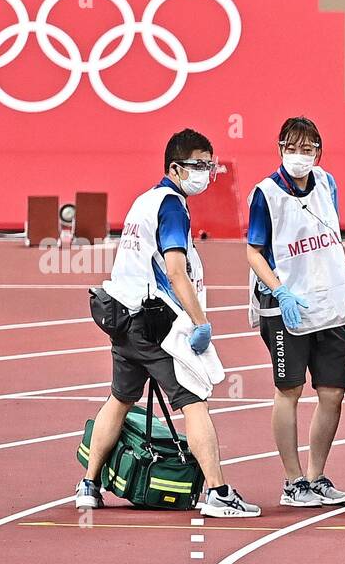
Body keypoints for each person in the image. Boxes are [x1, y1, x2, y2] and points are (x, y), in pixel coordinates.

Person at [75, 128, 260, 518]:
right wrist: (200, 322)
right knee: (194, 402)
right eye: (198, 165)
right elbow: (175, 270)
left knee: (120, 399)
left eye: (210, 165)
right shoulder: (172, 206)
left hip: (121, 317)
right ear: (175, 168)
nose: (206, 173)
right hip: (154, 323)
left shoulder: (144, 201)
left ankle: (89, 485)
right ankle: (218, 492)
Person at [246, 117, 345, 507]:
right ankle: (293, 483)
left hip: (328, 307)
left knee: (333, 392)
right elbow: (254, 252)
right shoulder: (267, 194)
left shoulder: (327, 184)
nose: (300, 156)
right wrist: (280, 291)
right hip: (286, 307)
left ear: (319, 152)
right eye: (293, 148)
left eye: (308, 149)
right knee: (289, 390)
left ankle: (316, 476)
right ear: (280, 149)